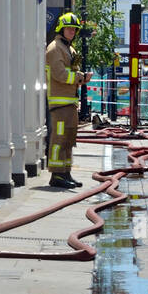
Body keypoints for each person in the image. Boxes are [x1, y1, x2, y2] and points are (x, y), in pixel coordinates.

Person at [45, 12, 91, 188]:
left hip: (70, 103)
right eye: (69, 28)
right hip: (60, 104)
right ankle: (56, 175)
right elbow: (59, 74)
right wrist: (80, 77)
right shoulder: (55, 48)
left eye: (74, 29)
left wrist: (82, 77)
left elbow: (70, 72)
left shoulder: (69, 49)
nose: (72, 31)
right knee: (59, 138)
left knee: (69, 139)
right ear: (61, 29)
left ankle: (66, 173)